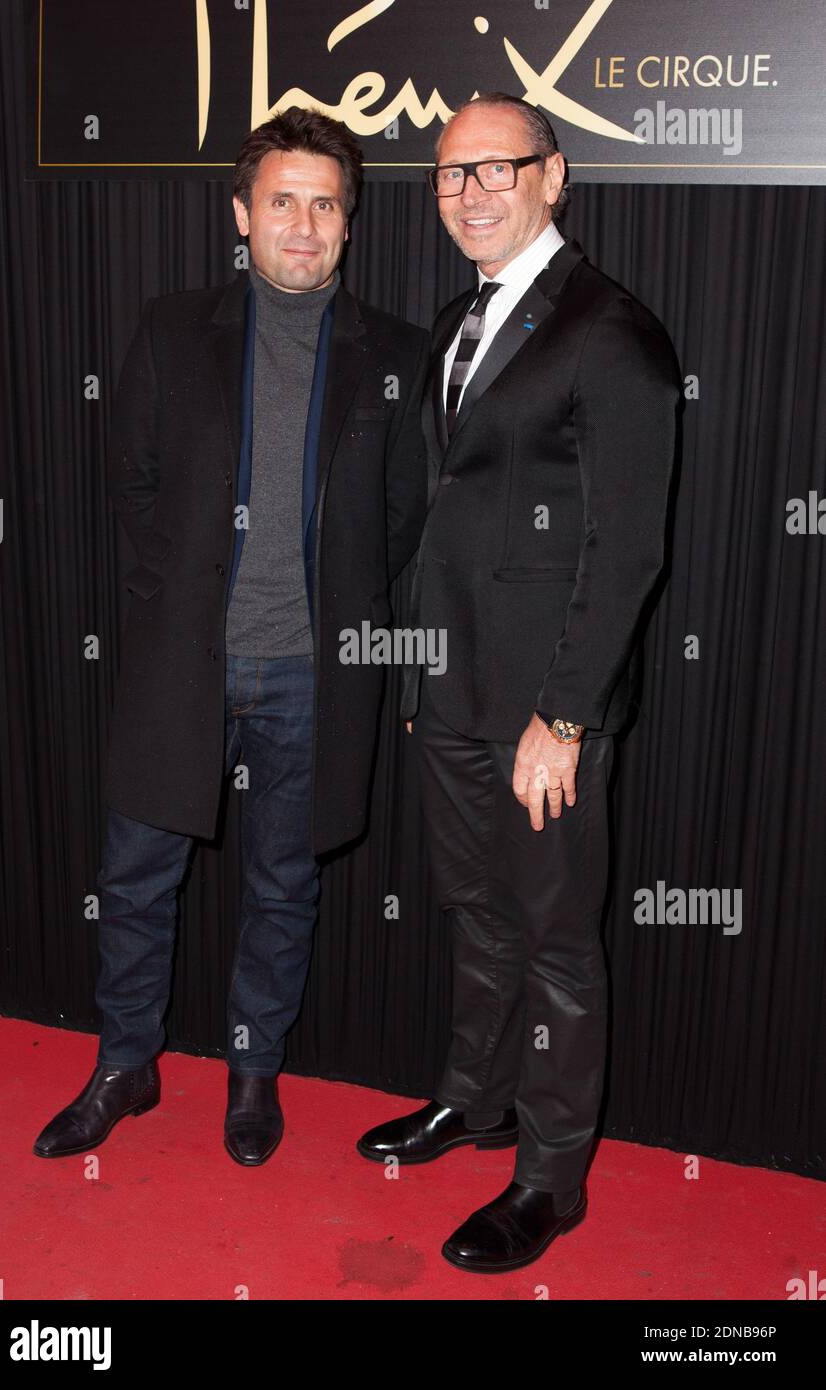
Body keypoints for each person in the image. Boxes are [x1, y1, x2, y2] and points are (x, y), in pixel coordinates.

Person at [34, 108, 429, 1169]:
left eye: (324, 204)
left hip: (313, 679)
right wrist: (174, 613)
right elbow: (138, 489)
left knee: (280, 884)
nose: (302, 224)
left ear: (348, 223)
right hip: (184, 666)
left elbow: (401, 516)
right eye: (281, 201)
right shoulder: (170, 329)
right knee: (133, 875)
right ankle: (126, 1062)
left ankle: (253, 1072)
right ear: (241, 217)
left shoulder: (393, 353)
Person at [357, 94, 681, 1273]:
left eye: (496, 168)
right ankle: (474, 1100)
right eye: (449, 175)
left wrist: (564, 716)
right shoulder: (457, 319)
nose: (471, 192)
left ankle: (549, 1176)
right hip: (447, 692)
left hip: (544, 712)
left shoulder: (609, 331)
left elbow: (627, 548)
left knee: (553, 943)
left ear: (554, 175)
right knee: (476, 916)